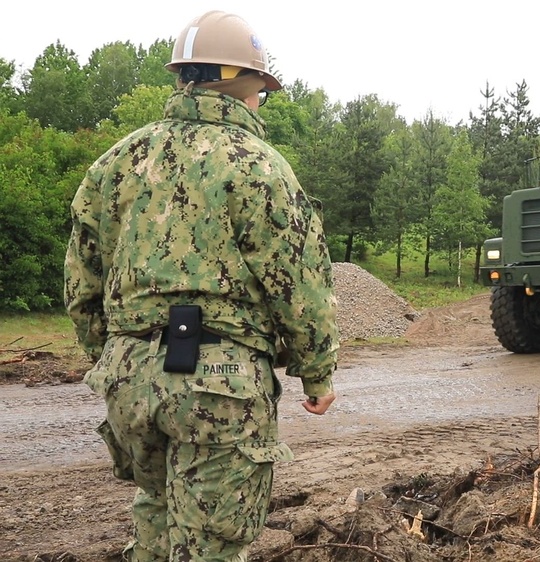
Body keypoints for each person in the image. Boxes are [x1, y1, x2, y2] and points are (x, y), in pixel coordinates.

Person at [64, 10, 339, 561]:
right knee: (211, 545)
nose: (261, 99)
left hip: (126, 380)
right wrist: (317, 373)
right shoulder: (259, 165)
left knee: (155, 517)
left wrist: (115, 353)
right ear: (240, 83)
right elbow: (299, 282)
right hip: (219, 384)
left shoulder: (116, 162)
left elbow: (82, 282)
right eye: (261, 87)